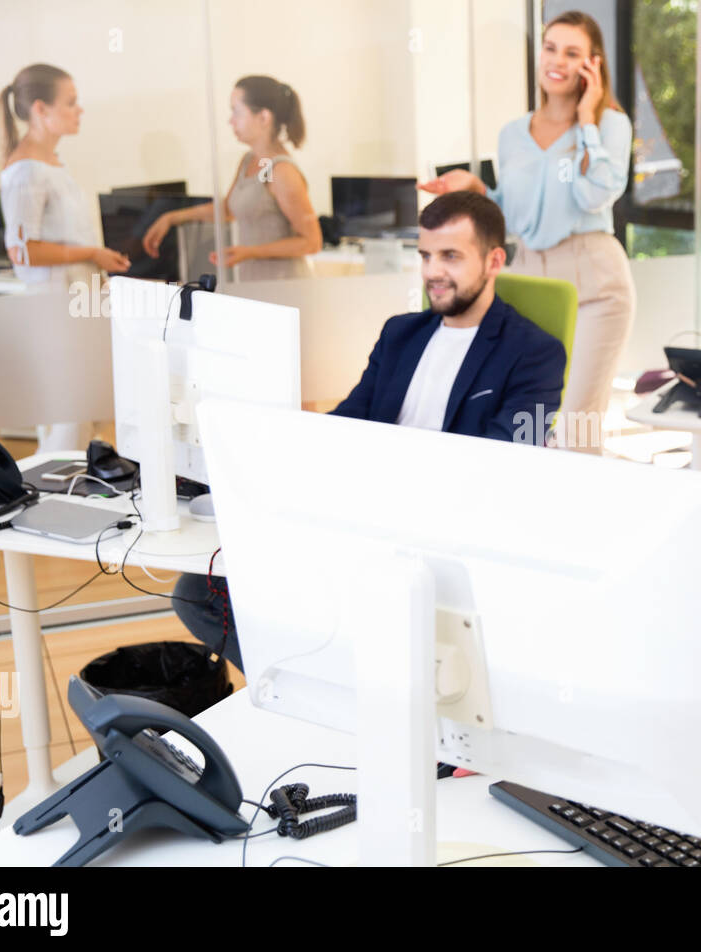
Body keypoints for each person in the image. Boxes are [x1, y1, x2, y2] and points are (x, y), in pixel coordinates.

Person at [172, 191, 566, 667]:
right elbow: (348, 419)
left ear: (494, 260)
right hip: (361, 511)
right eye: (425, 256)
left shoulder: (535, 353)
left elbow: (509, 458)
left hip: (440, 532)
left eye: (450, 257)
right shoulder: (400, 333)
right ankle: (321, 681)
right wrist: (274, 440)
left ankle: (341, 680)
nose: (432, 272)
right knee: (198, 591)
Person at [420, 10, 633, 455]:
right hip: (531, 278)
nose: (556, 60)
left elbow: (597, 195)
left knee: (575, 430)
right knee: (528, 423)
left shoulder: (611, 125)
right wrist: (477, 190)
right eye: (550, 47)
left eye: (572, 52)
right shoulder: (513, 133)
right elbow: (514, 220)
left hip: (595, 285)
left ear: (591, 65)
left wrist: (588, 120)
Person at [0, 63, 129, 452]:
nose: (79, 110)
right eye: (71, 103)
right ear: (41, 109)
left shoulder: (54, 163)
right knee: (70, 412)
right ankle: (54, 492)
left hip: (82, 298)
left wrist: (98, 267)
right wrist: (92, 253)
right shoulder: (25, 170)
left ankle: (85, 494)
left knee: (87, 406)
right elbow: (21, 249)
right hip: (57, 302)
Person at [142, 76, 319, 280]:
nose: (230, 121)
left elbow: (311, 242)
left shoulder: (283, 172)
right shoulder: (248, 160)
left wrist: (250, 252)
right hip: (254, 280)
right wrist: (171, 217)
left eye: (236, 111)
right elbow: (228, 210)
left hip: (285, 284)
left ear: (263, 117)